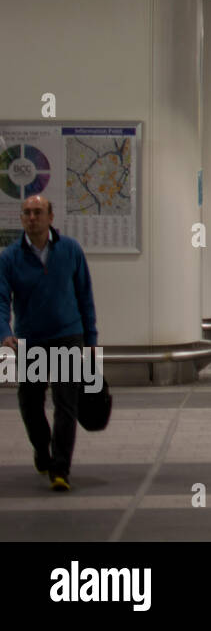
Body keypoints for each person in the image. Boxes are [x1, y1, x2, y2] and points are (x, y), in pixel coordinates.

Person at [0, 195, 99, 492]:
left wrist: (91, 339)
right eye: (27, 213)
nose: (32, 218)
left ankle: (60, 468)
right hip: (30, 339)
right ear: (21, 219)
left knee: (65, 404)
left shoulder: (70, 250)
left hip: (68, 336)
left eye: (38, 212)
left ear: (50, 217)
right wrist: (4, 331)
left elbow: (85, 295)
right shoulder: (9, 258)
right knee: (29, 403)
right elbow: (1, 301)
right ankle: (42, 449)